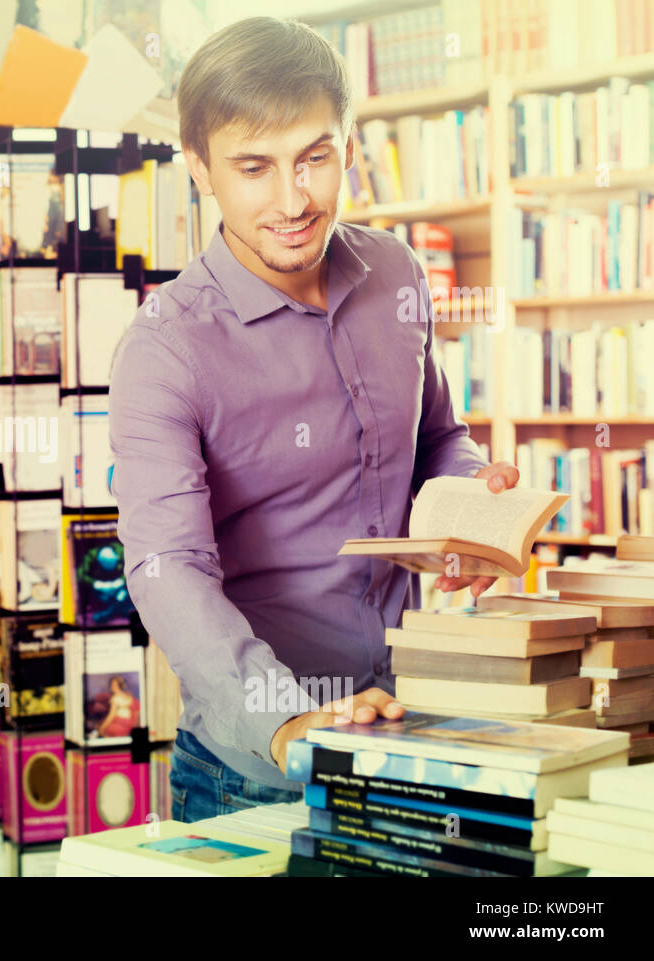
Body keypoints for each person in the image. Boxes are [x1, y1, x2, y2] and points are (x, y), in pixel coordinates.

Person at [107, 17, 521, 824]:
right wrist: (287, 720)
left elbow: (437, 436)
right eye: (254, 168)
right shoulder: (164, 350)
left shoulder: (396, 273)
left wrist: (468, 504)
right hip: (255, 770)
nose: (293, 201)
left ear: (349, 148)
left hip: (408, 728)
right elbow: (168, 570)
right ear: (199, 170)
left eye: (314, 158)